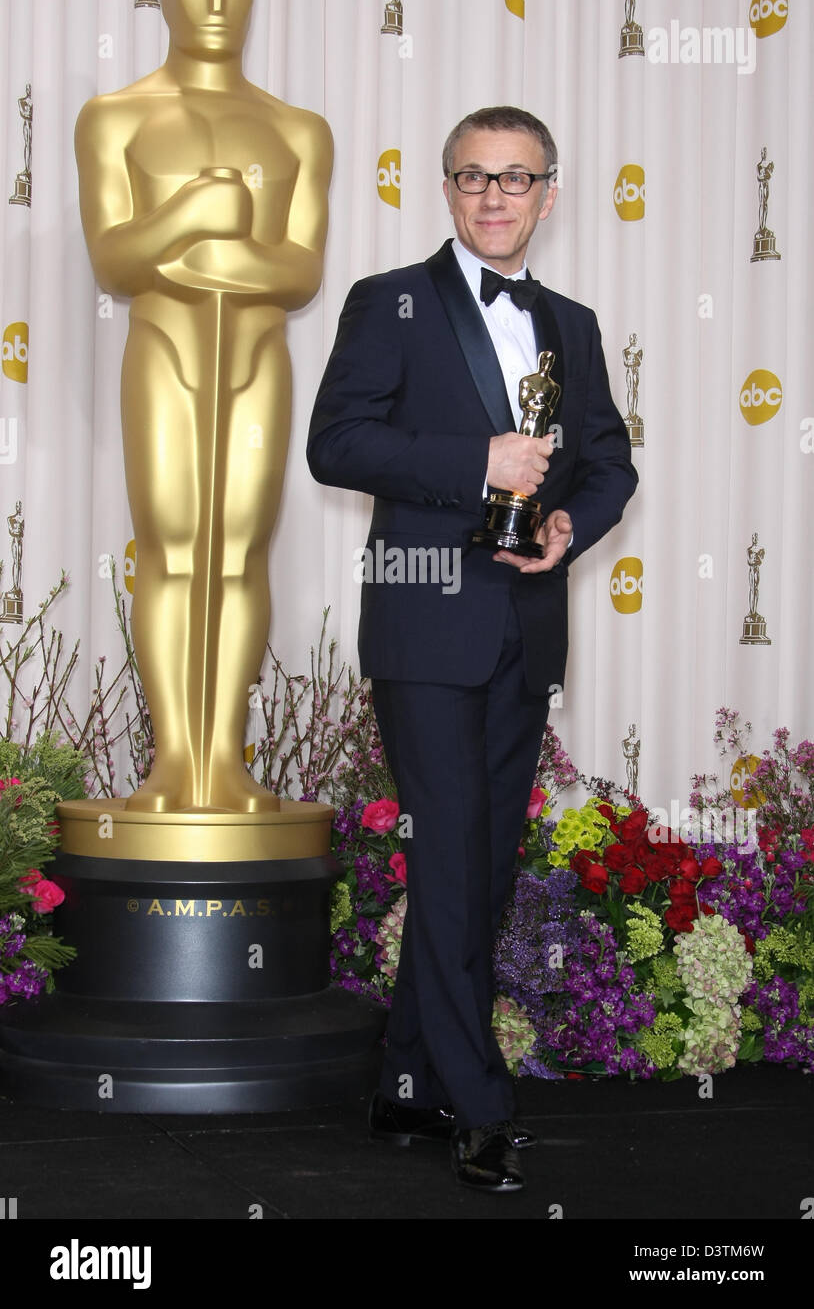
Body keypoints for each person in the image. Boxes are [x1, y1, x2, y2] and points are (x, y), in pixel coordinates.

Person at [308, 106, 637, 1192]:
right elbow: (335, 443)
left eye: (516, 178)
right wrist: (477, 461)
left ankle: (405, 1083)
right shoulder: (388, 303)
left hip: (525, 628)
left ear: (549, 193)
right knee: (451, 856)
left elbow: (608, 467)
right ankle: (477, 1102)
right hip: (423, 621)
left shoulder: (575, 325)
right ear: (446, 192)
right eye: (472, 178)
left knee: (482, 865)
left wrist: (562, 527)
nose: (494, 197)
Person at [75, 0, 331, 812]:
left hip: (257, 356)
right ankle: (172, 764)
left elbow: (299, 272)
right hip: (166, 353)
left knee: (241, 555)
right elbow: (114, 260)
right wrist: (193, 210)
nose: (217, 8)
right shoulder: (116, 116)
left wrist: (196, 261)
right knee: (172, 552)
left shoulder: (298, 130)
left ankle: (223, 760)